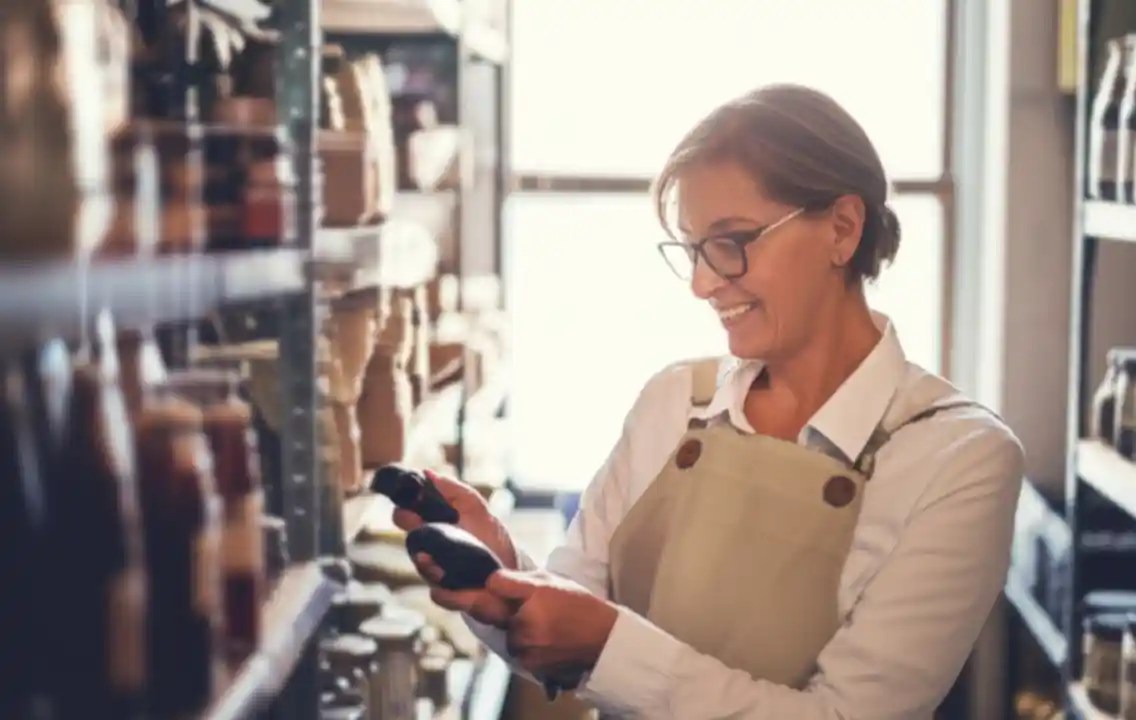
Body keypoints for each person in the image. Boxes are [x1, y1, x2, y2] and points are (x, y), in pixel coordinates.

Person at [395, 83, 1025, 719]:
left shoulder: (959, 457)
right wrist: (499, 569)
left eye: (732, 242)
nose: (702, 283)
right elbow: (567, 617)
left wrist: (609, 646)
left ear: (841, 229)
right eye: (694, 249)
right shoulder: (675, 401)